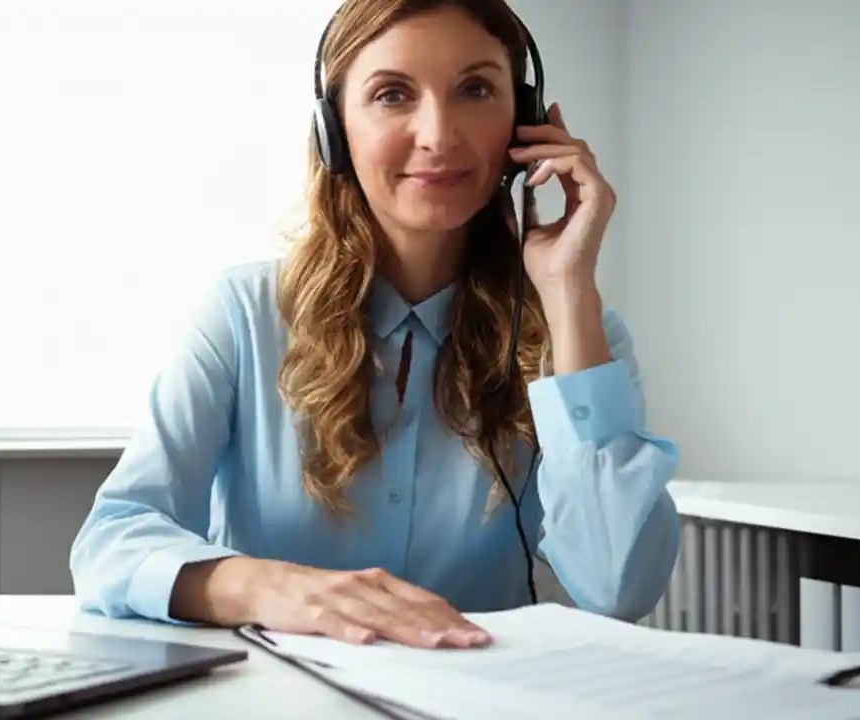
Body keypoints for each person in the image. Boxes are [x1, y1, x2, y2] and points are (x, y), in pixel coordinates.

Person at [70, 0, 680, 651]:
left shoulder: (580, 332)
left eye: (475, 89)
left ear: (523, 122)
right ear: (336, 129)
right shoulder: (244, 315)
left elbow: (619, 589)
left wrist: (567, 293)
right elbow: (112, 540)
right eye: (392, 94)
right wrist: (277, 589)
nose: (439, 135)